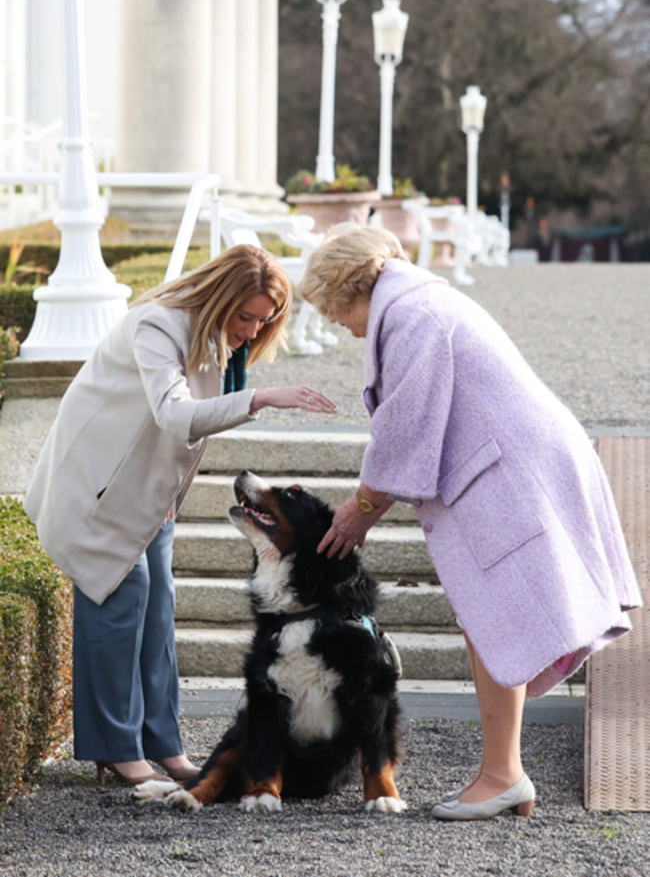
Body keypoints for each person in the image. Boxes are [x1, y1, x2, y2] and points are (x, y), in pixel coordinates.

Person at [299, 223, 641, 821]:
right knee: (493, 618)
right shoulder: (420, 303)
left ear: (348, 289)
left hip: (511, 475)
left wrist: (361, 511)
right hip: (513, 468)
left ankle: (503, 774)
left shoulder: (412, 316)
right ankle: (502, 773)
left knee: (494, 617)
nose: (339, 325)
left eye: (334, 312)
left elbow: (405, 425)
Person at [24, 244, 337, 787]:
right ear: (221, 297)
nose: (252, 329)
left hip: (148, 494)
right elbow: (174, 414)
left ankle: (162, 745)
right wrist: (262, 398)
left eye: (263, 320)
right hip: (101, 489)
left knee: (157, 613)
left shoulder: (214, 337)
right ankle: (118, 750)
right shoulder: (158, 325)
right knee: (118, 603)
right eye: (246, 316)